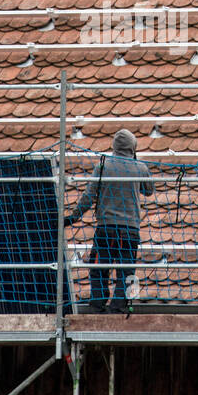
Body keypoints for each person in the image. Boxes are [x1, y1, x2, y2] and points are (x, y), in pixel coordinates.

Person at [65, 129, 154, 313]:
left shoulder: (103, 166)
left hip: (106, 228)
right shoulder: (140, 168)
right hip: (130, 230)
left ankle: (97, 305)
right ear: (133, 147)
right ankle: (118, 307)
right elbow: (149, 190)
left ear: (114, 146)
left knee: (98, 268)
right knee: (125, 271)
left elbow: (89, 196)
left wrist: (73, 217)